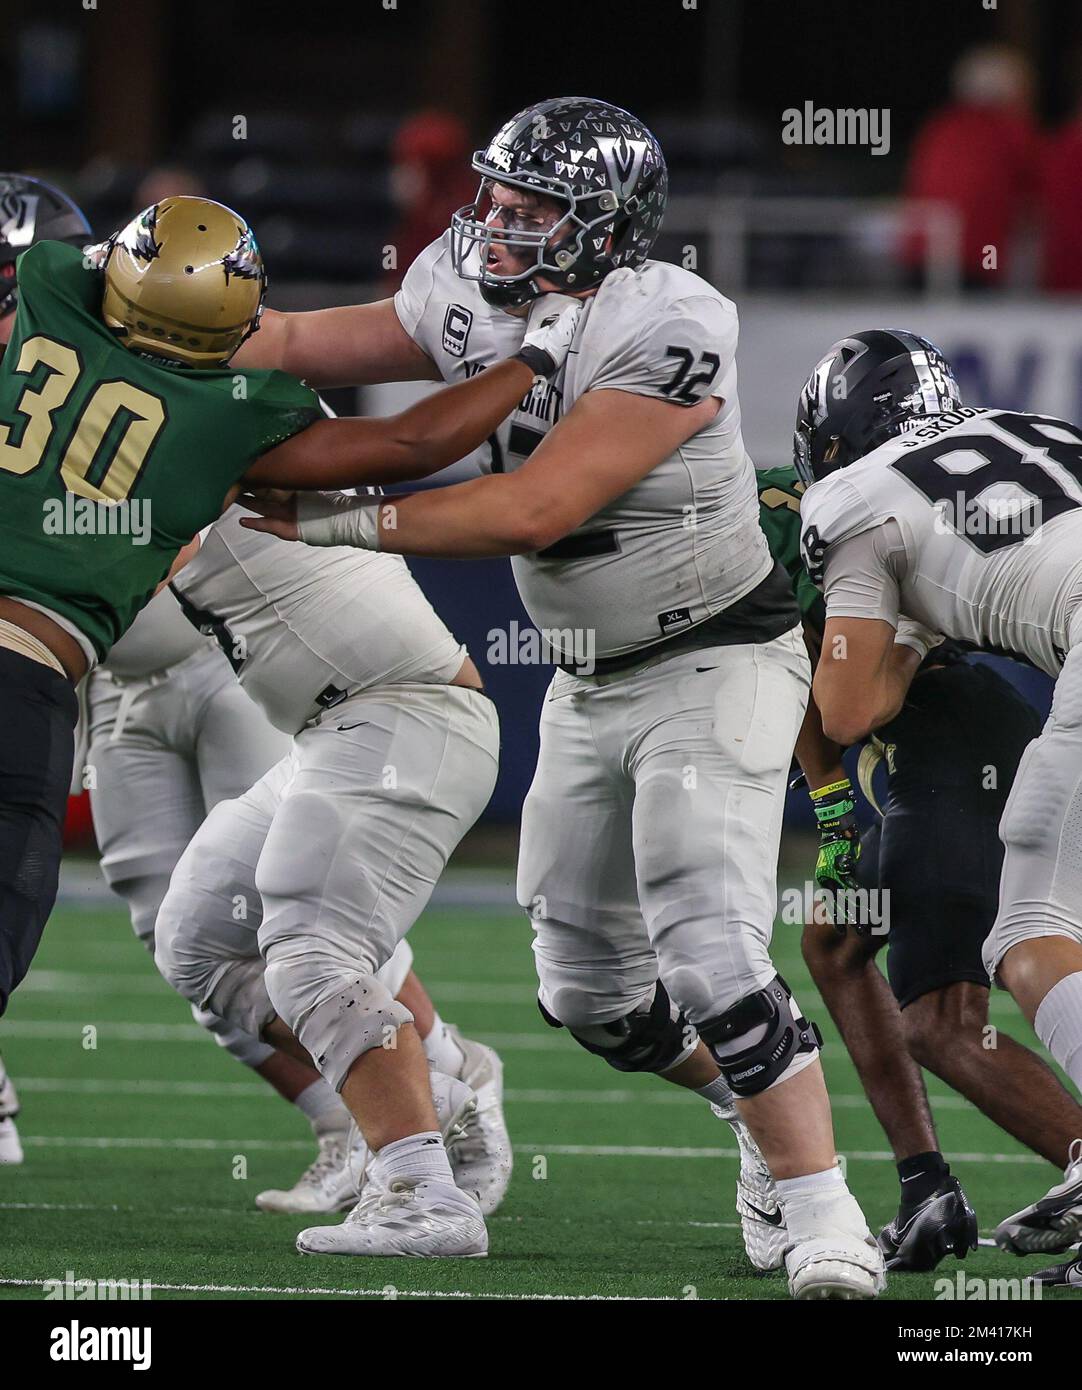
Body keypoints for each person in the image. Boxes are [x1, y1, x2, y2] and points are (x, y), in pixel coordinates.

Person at [236, 96, 885, 1299]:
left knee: (706, 941)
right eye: (495, 196)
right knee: (588, 994)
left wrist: (337, 522)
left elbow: (535, 510)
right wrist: (189, 339)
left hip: (716, 657)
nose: (496, 224)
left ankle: (825, 1213)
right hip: (590, 681)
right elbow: (322, 341)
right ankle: (752, 1119)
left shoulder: (670, 319)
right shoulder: (470, 284)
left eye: (531, 209)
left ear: (603, 226)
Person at [793, 327, 1082, 1276]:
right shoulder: (1029, 423)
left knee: (1028, 933)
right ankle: (928, 1184)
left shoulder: (851, 500)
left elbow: (845, 706)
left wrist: (909, 629)